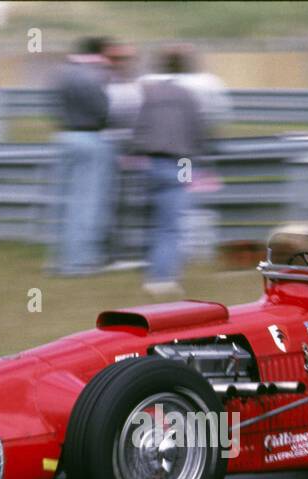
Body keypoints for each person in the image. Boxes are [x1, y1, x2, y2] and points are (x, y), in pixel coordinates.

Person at [130, 47, 209, 298]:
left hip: (152, 163)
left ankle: (153, 270)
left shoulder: (150, 94)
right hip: (180, 163)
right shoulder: (188, 96)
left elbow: (139, 130)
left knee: (156, 223)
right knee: (171, 226)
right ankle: (162, 279)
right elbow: (199, 131)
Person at [50, 37, 115, 276]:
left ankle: (60, 259)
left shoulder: (62, 73)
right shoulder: (93, 73)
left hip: (64, 137)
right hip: (89, 137)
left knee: (66, 202)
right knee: (87, 203)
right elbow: (103, 109)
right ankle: (79, 262)